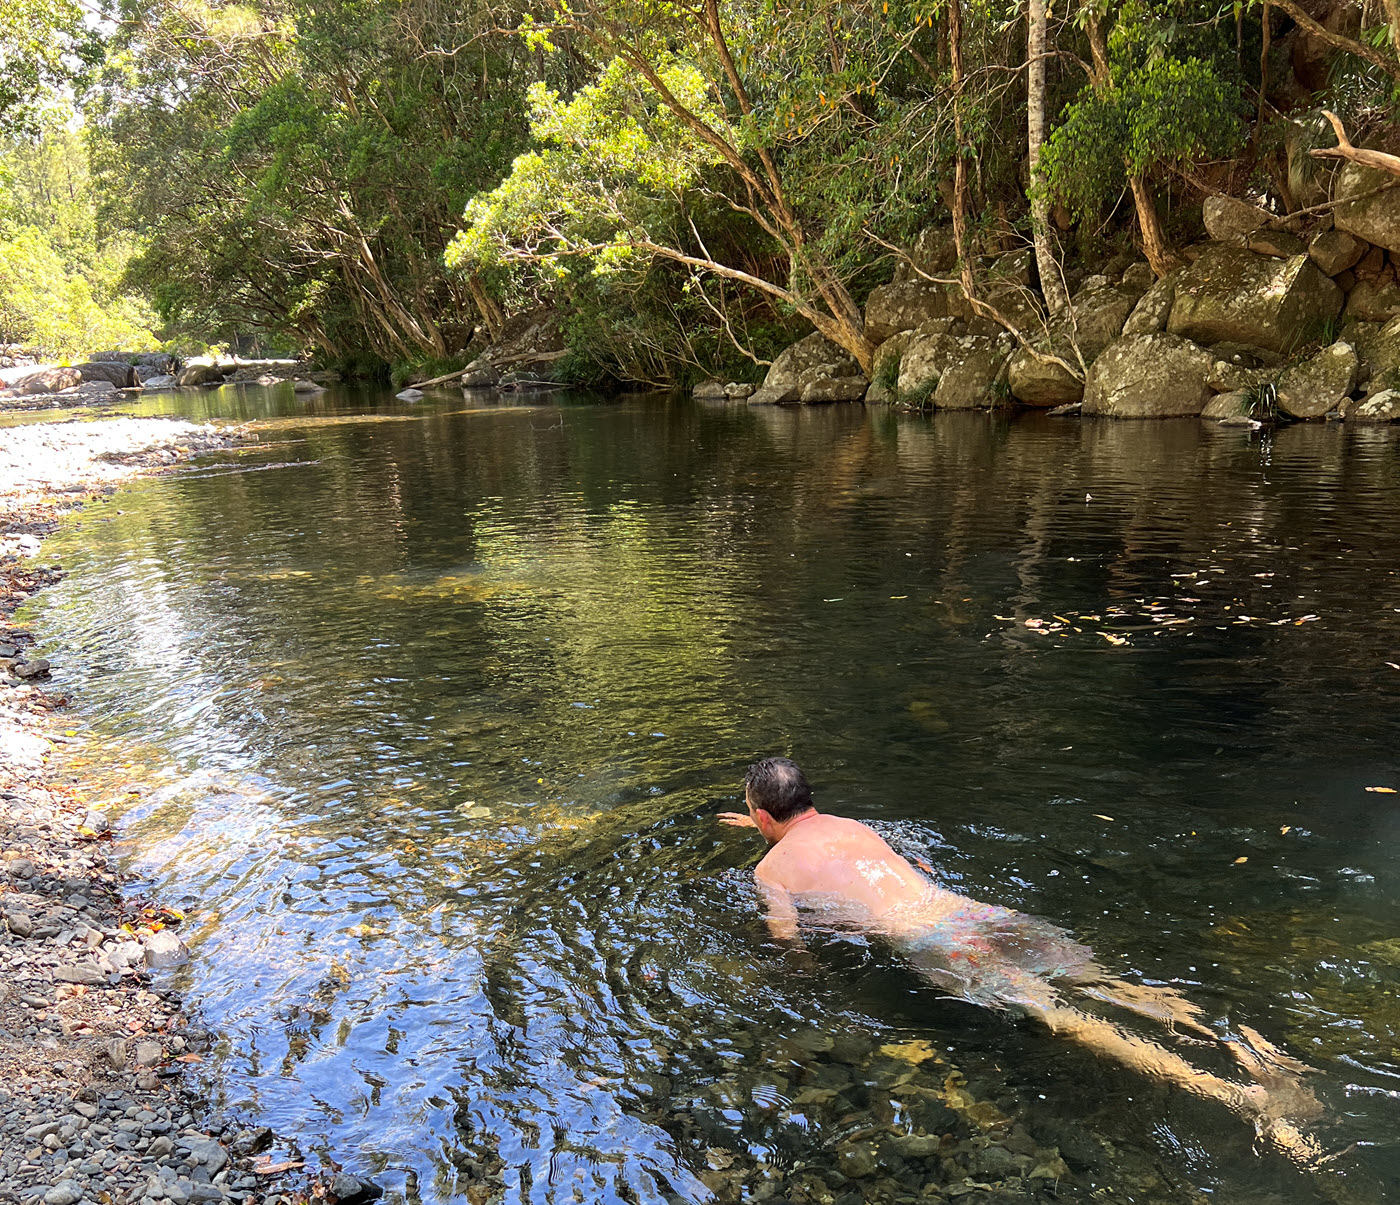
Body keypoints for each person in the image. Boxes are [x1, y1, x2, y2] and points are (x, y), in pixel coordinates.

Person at [719, 756, 1322, 1164]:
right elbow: (902, 864)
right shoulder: (852, 825)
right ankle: (1254, 1053)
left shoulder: (770, 869)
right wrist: (768, 823)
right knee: (1107, 982)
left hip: (937, 946)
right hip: (969, 914)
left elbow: (787, 939)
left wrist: (800, 972)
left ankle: (1234, 1097)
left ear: (763, 819)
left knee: (1066, 1017)